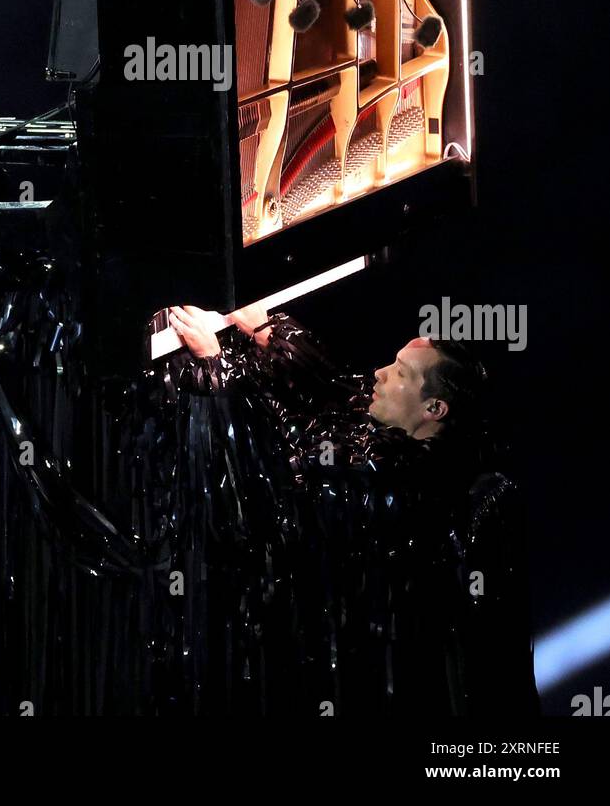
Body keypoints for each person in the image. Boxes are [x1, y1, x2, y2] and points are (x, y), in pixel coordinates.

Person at [164, 300, 540, 716]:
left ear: (435, 409)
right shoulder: (410, 438)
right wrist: (271, 333)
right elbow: (338, 390)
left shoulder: (403, 485)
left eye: (400, 372)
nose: (379, 372)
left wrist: (218, 366)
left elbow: (282, 471)